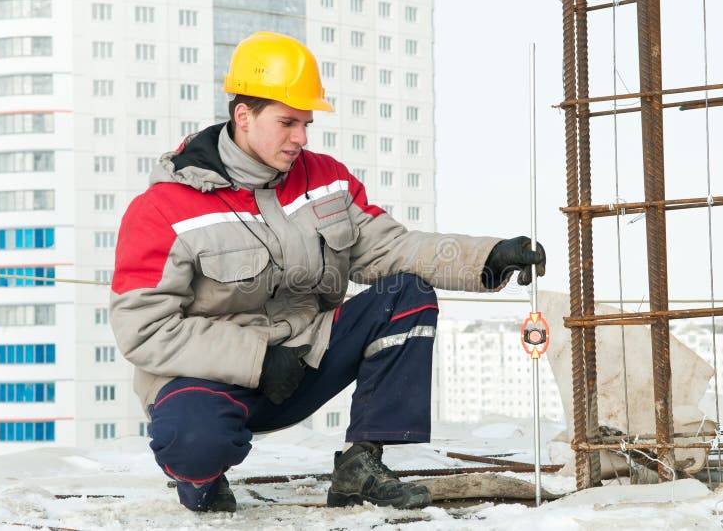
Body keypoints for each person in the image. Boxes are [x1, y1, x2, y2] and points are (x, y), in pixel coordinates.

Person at [109, 31, 546, 513]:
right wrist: (256, 358)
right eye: (288, 122)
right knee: (193, 441)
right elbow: (143, 329)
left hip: (305, 359)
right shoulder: (163, 208)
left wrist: (488, 256)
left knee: (405, 293)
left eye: (306, 124)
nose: (301, 138)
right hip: (212, 381)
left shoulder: (326, 179)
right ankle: (202, 481)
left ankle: (361, 464)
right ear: (243, 116)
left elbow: (393, 248)